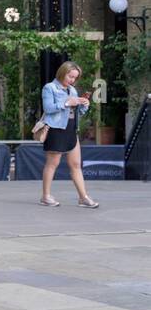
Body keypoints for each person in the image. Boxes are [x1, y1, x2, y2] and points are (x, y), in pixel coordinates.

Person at [39, 61, 98, 208]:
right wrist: (66, 103)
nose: (72, 80)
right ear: (62, 72)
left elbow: (76, 112)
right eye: (70, 76)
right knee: (53, 163)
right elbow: (48, 108)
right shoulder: (49, 87)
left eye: (75, 77)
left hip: (71, 129)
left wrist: (84, 106)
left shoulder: (72, 90)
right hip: (55, 129)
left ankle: (83, 197)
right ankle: (46, 196)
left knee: (76, 164)